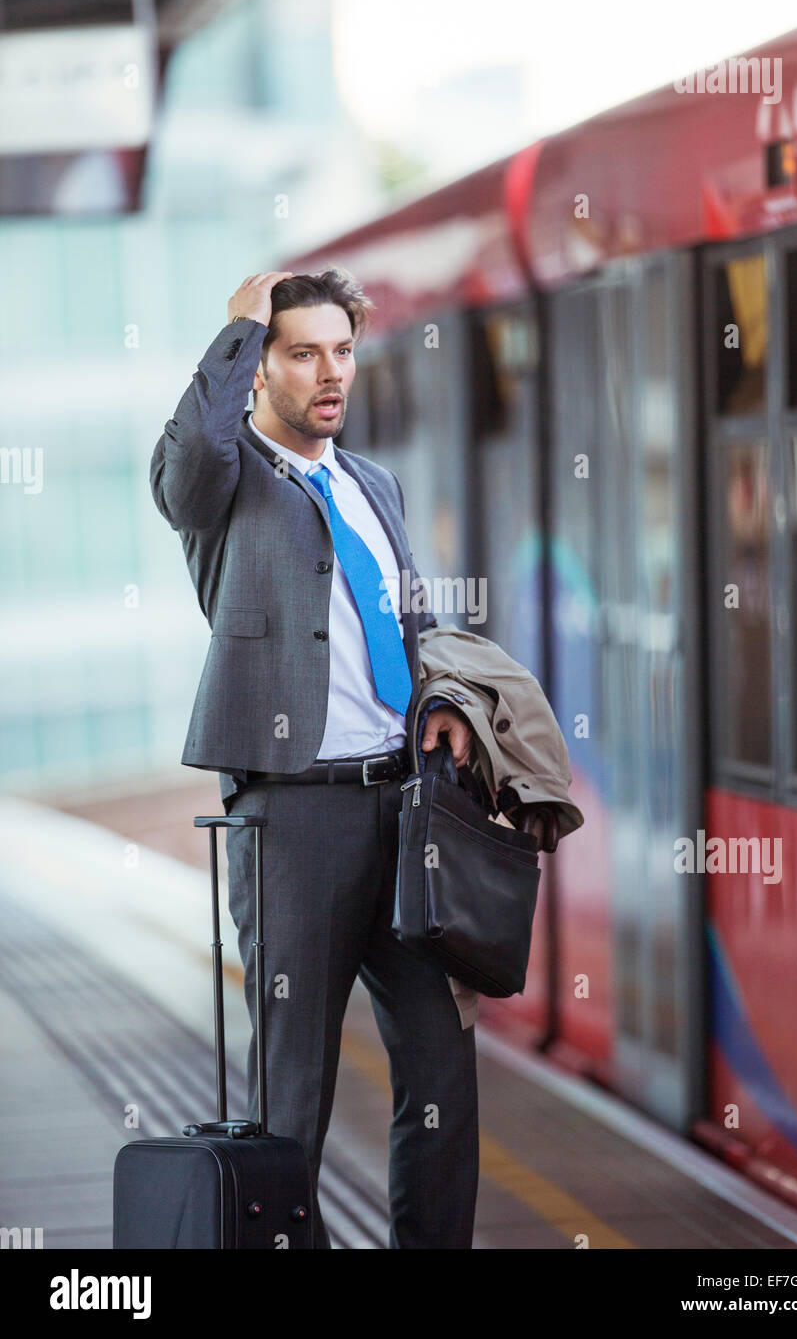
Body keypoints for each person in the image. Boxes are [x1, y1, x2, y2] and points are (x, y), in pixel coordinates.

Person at [150, 268, 484, 1249]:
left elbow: (416, 631)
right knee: (293, 1087)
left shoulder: (373, 485)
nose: (329, 372)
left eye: (341, 350)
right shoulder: (222, 482)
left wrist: (449, 707)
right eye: (300, 352)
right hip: (291, 818)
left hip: (404, 812)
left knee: (441, 1070)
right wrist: (237, 328)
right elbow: (185, 468)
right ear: (257, 368)